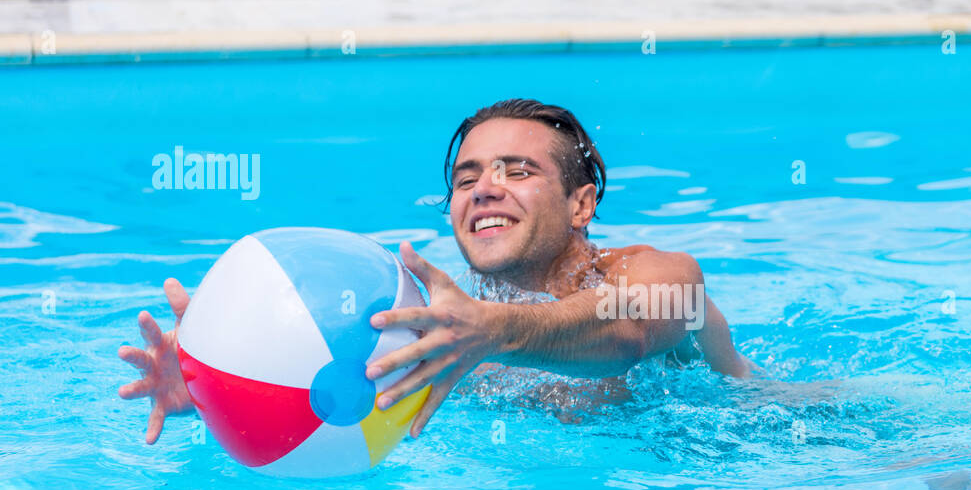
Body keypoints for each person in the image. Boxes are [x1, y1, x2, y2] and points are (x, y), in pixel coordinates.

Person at [117, 98, 753, 444]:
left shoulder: (663, 277)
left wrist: (496, 331)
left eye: (519, 171)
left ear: (582, 203)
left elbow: (628, 336)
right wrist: (214, 376)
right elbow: (336, 388)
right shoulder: (443, 326)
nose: (484, 190)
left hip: (761, 442)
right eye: (466, 178)